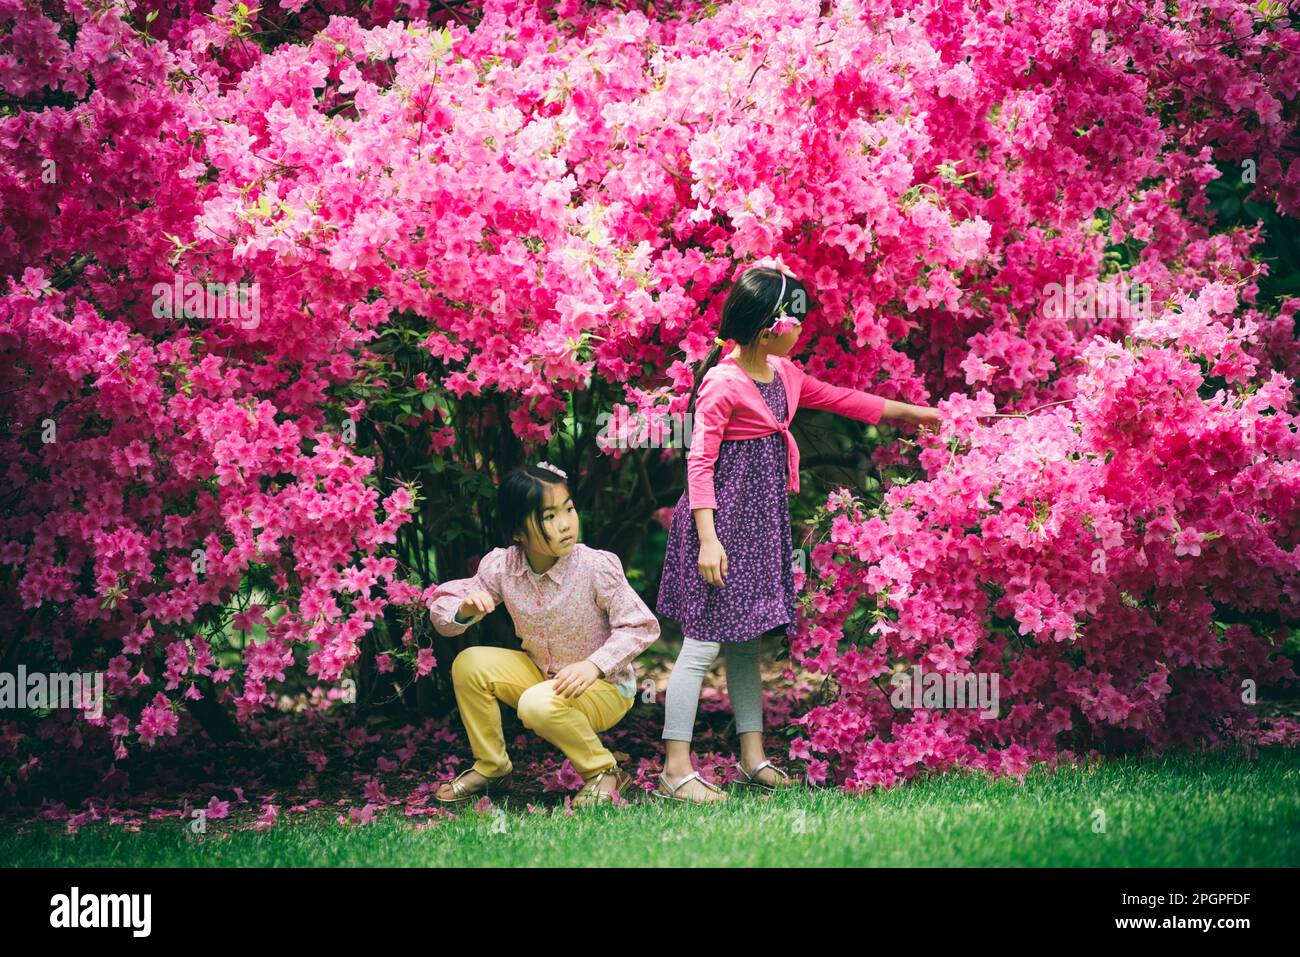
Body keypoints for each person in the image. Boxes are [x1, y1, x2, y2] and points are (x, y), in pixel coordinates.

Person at [653, 266, 941, 803]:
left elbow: (841, 399)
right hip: (718, 528)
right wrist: (709, 541)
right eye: (798, 318)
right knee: (699, 647)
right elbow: (699, 464)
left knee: (746, 643)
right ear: (769, 328)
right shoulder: (723, 382)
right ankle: (674, 768)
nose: (804, 327)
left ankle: (753, 757)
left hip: (759, 528)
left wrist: (912, 414)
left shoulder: (782, 373)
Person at [427, 462, 660, 807]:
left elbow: (641, 626)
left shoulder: (595, 566)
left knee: (536, 703)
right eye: (549, 517)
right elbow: (443, 610)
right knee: (469, 663)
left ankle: (604, 772)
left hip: (604, 687)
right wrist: (465, 610)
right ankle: (492, 766)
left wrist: (593, 665)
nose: (566, 524)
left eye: (568, 509)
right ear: (519, 532)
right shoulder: (503, 566)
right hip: (543, 676)